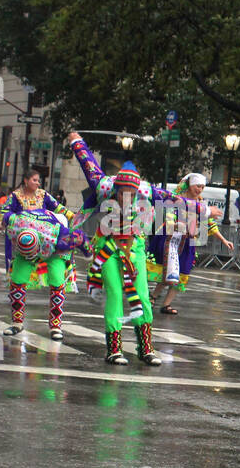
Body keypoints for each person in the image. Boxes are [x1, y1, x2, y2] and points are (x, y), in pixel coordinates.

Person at [66, 132, 209, 365]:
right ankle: (114, 349)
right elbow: (87, 162)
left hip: (135, 247)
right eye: (123, 193)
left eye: (131, 194)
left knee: (142, 295)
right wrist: (76, 141)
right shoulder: (104, 185)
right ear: (117, 189)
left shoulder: (146, 191)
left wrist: (204, 210)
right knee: (114, 292)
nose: (127, 198)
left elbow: (175, 199)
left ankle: (146, 348)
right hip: (108, 247)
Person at [147, 173, 231, 316]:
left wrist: (223, 240)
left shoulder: (200, 204)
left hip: (187, 243)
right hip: (170, 240)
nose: (200, 190)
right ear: (190, 184)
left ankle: (167, 304)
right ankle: (153, 297)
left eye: (202, 187)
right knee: (167, 270)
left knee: (182, 272)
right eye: (198, 186)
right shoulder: (176, 199)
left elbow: (209, 224)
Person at [1, 208, 91, 341]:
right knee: (17, 279)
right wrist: (1, 223)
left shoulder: (61, 236)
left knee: (57, 279)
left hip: (52, 247)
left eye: (32, 254)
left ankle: (56, 326)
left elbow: (80, 237)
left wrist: (89, 255)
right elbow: (6, 216)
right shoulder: (14, 222)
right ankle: (17, 322)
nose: (31, 257)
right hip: (29, 236)